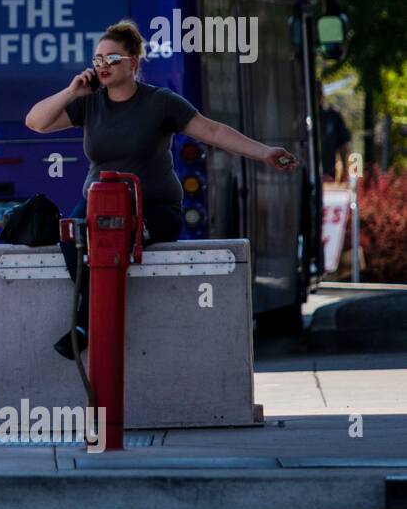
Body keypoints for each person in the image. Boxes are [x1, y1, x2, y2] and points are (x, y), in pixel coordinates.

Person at [25, 20, 297, 360]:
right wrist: (71, 91)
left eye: (113, 59)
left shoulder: (159, 102)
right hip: (99, 205)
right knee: (70, 237)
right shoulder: (90, 103)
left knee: (114, 238)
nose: (103, 66)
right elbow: (36, 122)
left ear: (134, 64)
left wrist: (265, 153)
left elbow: (212, 131)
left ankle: (86, 324)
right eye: (97, 60)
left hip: (151, 209)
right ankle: (89, 319)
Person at [318, 88, 353, 182]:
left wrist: (345, 172)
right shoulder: (302, 115)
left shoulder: (332, 115)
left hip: (328, 176)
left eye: (318, 93)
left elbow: (343, 146)